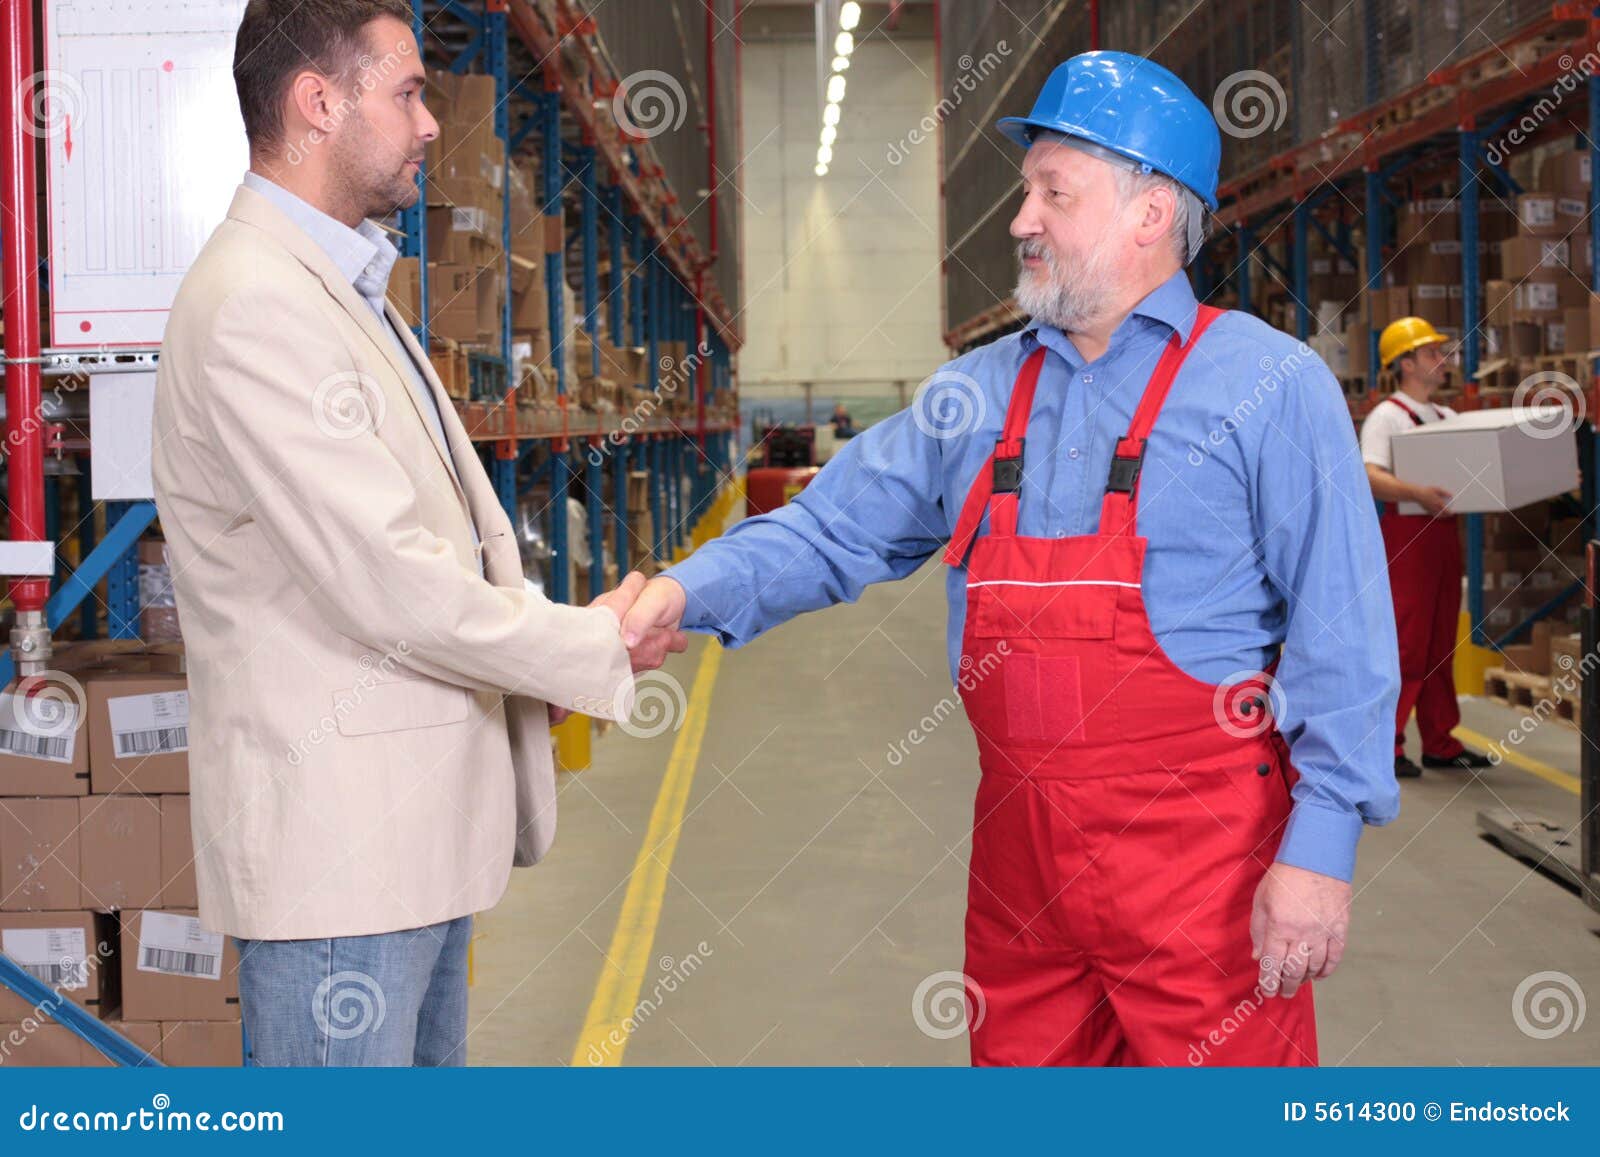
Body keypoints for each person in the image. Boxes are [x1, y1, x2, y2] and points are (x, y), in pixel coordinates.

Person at [614, 52, 1401, 1066]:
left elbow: (1342, 630)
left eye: (1051, 193)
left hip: (1206, 877)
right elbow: (826, 528)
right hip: (1024, 874)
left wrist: (1320, 849)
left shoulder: (1268, 385)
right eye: (1025, 192)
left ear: (1149, 213)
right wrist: (683, 590)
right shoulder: (971, 397)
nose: (1019, 220)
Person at [152, 0, 682, 1067]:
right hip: (341, 865)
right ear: (316, 102)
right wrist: (590, 642)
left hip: (403, 852)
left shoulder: (341, 287)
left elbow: (435, 544)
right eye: (405, 92)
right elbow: (391, 580)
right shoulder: (256, 302)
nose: (433, 123)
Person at [1358, 318, 1492, 778]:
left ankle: (1440, 741)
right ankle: (1387, 746)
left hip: (1442, 536)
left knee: (1439, 643)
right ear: (1406, 363)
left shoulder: (1449, 418)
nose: (1443, 360)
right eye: (1433, 353)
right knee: (1406, 645)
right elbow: (1369, 475)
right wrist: (1416, 493)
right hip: (1407, 538)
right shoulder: (1388, 416)